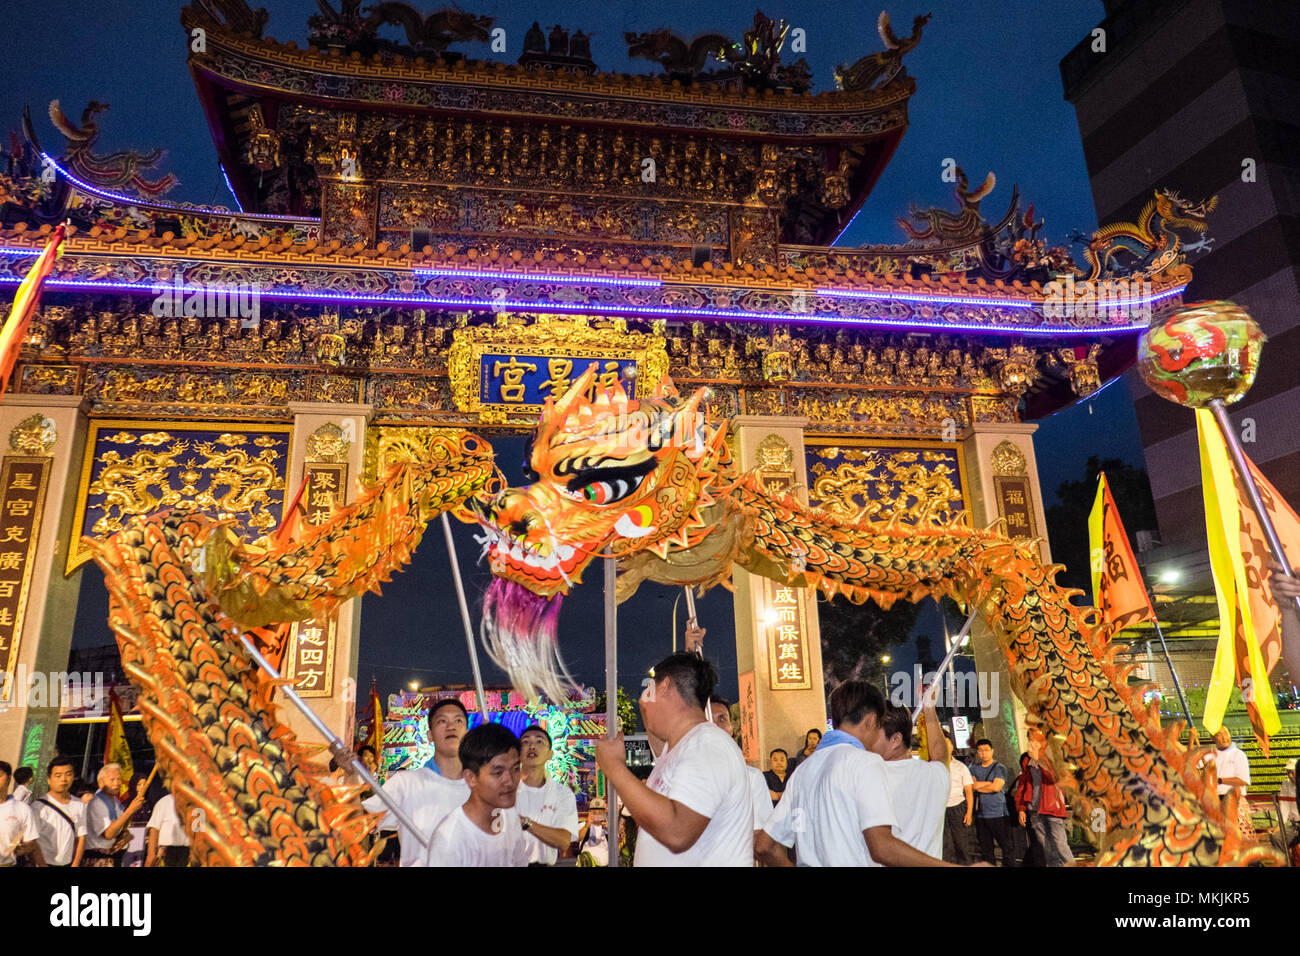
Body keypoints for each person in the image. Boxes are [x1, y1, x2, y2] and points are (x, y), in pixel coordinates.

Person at [756, 681, 955, 867]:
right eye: (878, 726)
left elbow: (764, 846)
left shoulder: (803, 770)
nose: (877, 734)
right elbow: (882, 848)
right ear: (870, 721)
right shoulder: (865, 763)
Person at [595, 653, 753, 866]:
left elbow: (677, 832)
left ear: (664, 687)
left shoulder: (707, 744)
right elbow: (646, 709)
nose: (644, 701)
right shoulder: (676, 750)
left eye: (648, 690)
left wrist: (614, 767)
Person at [362, 697, 470, 866]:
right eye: (442, 721)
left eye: (458, 720)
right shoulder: (406, 784)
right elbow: (362, 819)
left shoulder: (483, 787)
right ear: (430, 735)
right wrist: (349, 775)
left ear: (467, 733)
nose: (451, 726)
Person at [426, 723, 530, 867]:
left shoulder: (510, 817)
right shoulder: (450, 841)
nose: (510, 781)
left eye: (515, 769)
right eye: (498, 772)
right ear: (471, 778)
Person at [871, 700, 950, 858]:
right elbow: (941, 754)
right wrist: (929, 708)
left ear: (895, 740)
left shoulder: (870, 780)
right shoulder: (935, 774)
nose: (865, 740)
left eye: (872, 733)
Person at [709, 693, 773, 842]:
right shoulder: (686, 777)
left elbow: (760, 838)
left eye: (722, 719)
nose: (716, 726)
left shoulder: (752, 777)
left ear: (732, 728)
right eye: (709, 720)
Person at [515, 725, 579, 865]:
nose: (532, 746)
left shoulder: (562, 794)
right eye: (525, 742)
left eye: (539, 742)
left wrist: (525, 823)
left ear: (550, 754)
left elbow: (563, 841)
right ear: (518, 753)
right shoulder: (504, 791)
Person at [1014, 738, 1074, 867]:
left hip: (1053, 809)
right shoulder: (1026, 762)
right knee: (1047, 848)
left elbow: (1054, 778)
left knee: (1060, 845)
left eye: (1034, 746)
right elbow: (1022, 787)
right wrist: (1021, 809)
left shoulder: (1051, 761)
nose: (1030, 748)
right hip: (1034, 810)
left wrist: (1040, 760)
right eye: (1030, 745)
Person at [82, 762, 146, 867]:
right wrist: (130, 810)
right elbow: (108, 834)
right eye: (112, 780)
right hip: (98, 860)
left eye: (119, 779)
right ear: (101, 783)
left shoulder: (115, 802)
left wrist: (125, 837)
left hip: (114, 858)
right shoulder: (96, 802)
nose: (116, 783)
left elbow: (122, 828)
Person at [970, 739, 1015, 865]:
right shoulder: (973, 769)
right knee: (986, 850)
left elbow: (996, 787)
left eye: (986, 750)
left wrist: (980, 785)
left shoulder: (1000, 768)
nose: (983, 753)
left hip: (998, 813)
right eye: (980, 750)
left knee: (1007, 848)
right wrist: (989, 784)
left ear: (992, 751)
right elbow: (972, 786)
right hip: (981, 814)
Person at [34, 756, 85, 868]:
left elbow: (80, 837)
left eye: (68, 774)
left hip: (68, 863)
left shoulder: (79, 804)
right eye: (58, 775)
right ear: (49, 780)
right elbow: (33, 841)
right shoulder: (38, 807)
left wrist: (75, 864)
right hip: (44, 863)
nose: (63, 779)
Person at [941, 728, 975, 864]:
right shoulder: (935, 766)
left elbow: (969, 792)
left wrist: (969, 812)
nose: (946, 747)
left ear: (952, 748)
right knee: (946, 846)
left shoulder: (961, 767)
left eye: (948, 744)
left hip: (958, 808)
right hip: (942, 809)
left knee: (961, 843)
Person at [0, 761, 43, 867]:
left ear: (9, 778)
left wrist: (19, 846)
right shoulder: (21, 791)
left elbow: (30, 844)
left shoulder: (22, 809)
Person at [145, 784, 191, 867]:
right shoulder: (164, 802)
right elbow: (154, 829)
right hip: (166, 852)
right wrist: (151, 854)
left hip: (188, 852)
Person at [576, 797, 611, 866]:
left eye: (600, 813)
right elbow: (578, 838)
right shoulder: (582, 825)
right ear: (589, 813)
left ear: (604, 813)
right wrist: (587, 825)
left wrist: (610, 830)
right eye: (594, 813)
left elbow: (617, 846)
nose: (597, 815)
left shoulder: (609, 827)